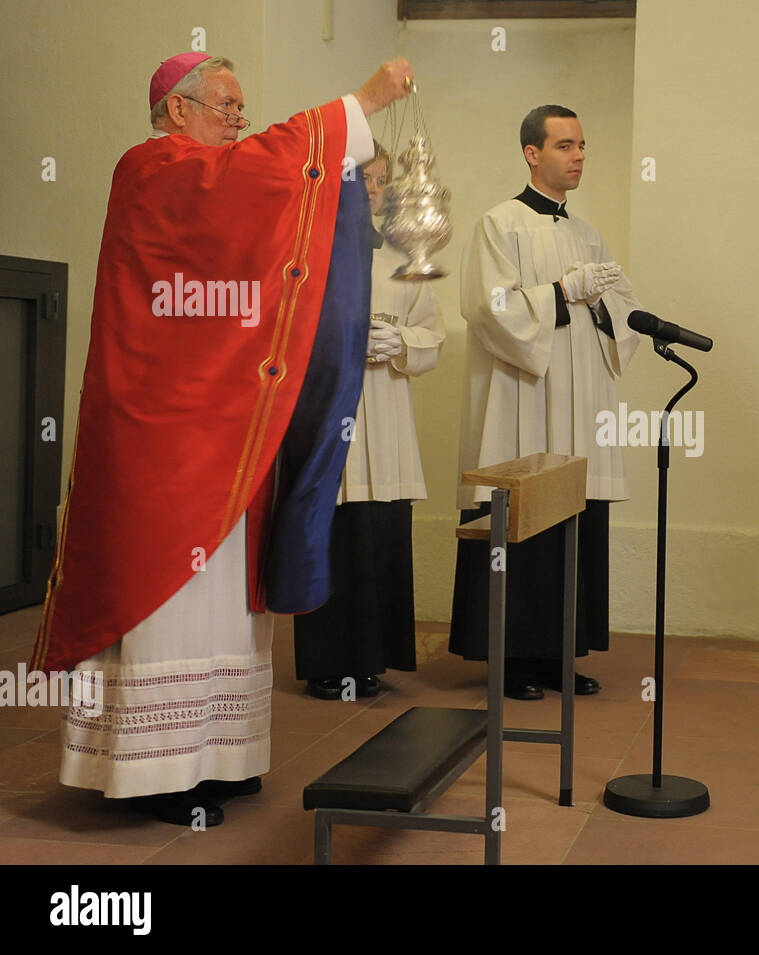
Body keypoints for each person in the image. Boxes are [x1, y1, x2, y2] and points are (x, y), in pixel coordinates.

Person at [30, 52, 415, 825]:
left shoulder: (209, 177)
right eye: (226, 108)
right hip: (158, 441)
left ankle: (220, 757)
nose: (238, 124)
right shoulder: (151, 172)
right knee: (168, 601)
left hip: (225, 427)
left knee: (225, 611)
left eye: (242, 111)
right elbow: (246, 182)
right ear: (177, 110)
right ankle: (161, 771)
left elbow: (261, 237)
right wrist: (357, 104)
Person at [451, 105, 641, 700]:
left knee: (571, 523)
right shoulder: (499, 224)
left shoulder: (587, 234)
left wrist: (603, 304)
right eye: (565, 146)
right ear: (533, 153)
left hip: (578, 408)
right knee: (522, 522)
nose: (579, 155)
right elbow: (488, 310)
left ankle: (559, 654)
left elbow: (623, 314)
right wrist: (562, 292)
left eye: (582, 145)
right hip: (524, 402)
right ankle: (511, 661)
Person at [294, 143, 446, 700]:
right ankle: (329, 662)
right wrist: (343, 343)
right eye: (365, 178)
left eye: (382, 180)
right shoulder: (306, 255)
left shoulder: (403, 263)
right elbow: (282, 333)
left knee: (378, 532)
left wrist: (397, 340)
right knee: (336, 536)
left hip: (386, 414)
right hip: (328, 415)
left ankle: (374, 658)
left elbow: (433, 335)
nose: (376, 190)